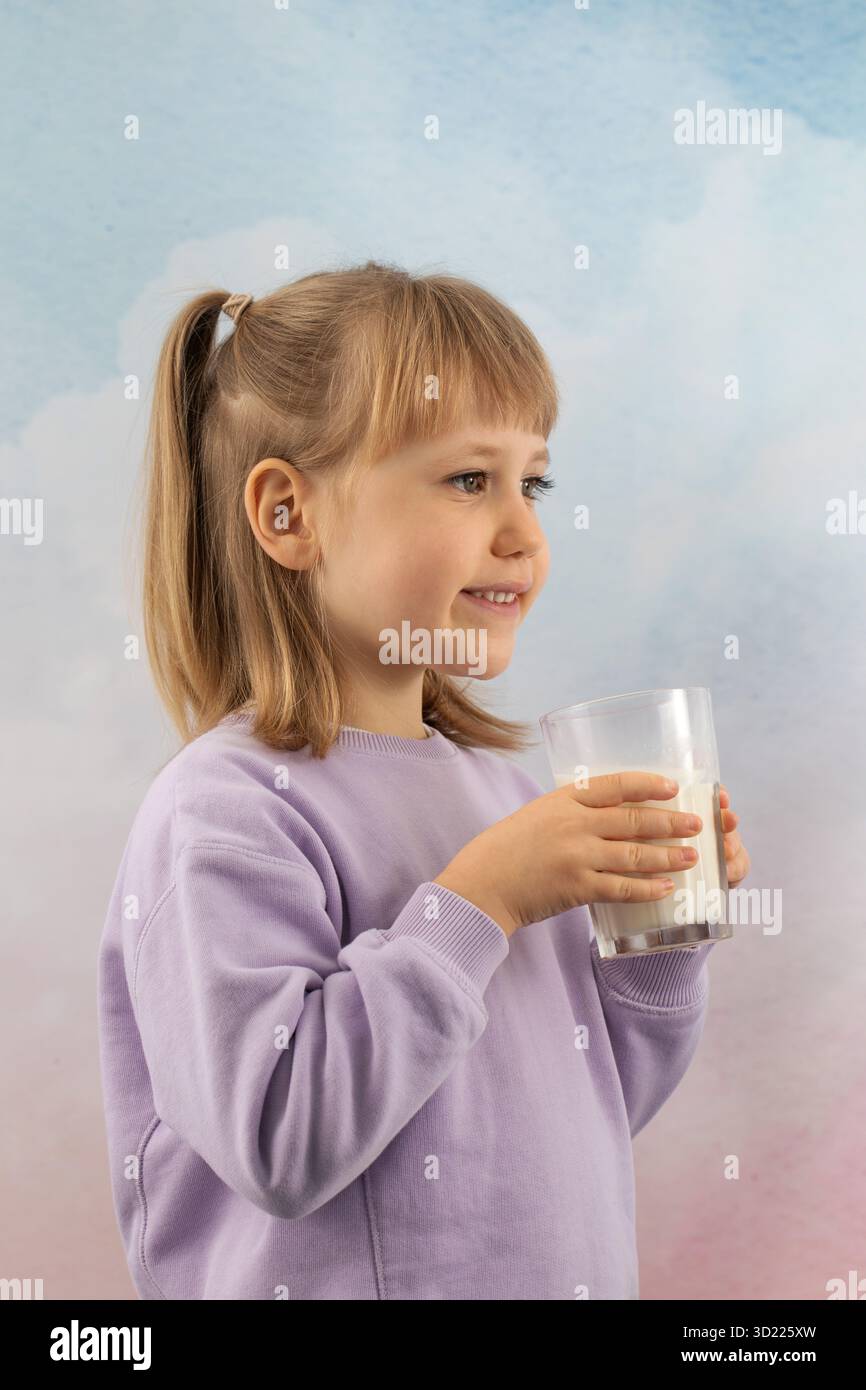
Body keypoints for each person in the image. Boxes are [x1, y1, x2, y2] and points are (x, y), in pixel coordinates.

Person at [96, 261, 725, 1300]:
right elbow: (279, 1137)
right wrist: (481, 899)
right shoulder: (225, 812)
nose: (522, 532)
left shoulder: (503, 796)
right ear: (287, 513)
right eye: (468, 479)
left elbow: (592, 1107)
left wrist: (656, 938)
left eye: (535, 481)